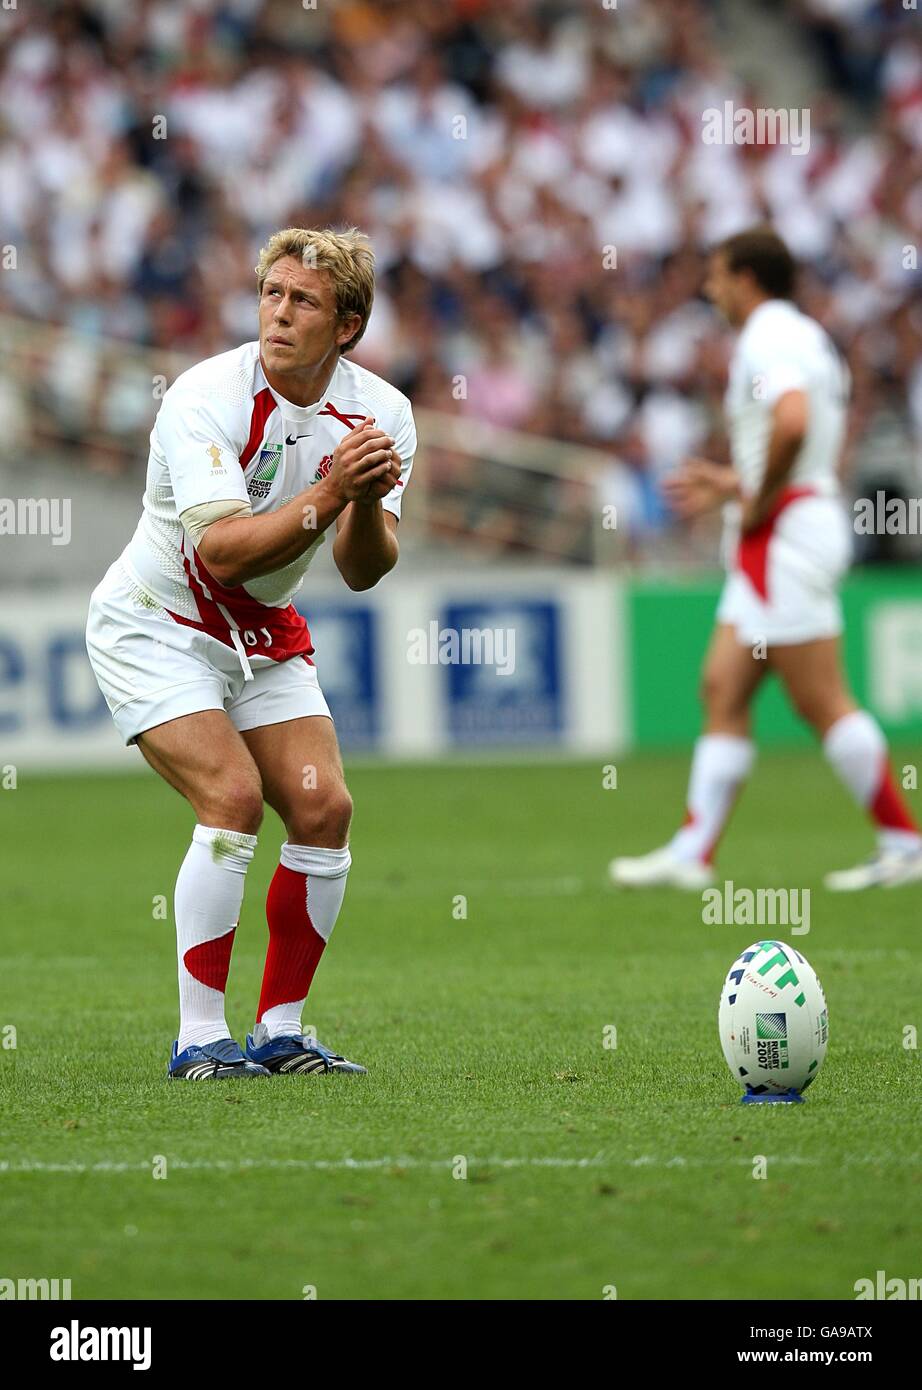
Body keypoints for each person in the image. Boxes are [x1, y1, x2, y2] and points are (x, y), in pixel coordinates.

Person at [86, 227, 416, 1077]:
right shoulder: (204, 395)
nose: (279, 312)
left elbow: (362, 570)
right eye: (272, 292)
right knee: (231, 798)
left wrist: (367, 506)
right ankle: (199, 1038)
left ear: (347, 326)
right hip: (155, 621)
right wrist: (332, 490)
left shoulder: (383, 414)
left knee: (323, 810)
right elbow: (224, 552)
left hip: (260, 632)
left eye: (303, 300)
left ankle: (282, 1029)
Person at [610, 226, 921, 892]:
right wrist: (735, 485)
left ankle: (904, 840)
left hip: (785, 534)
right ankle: (693, 850)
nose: (710, 288)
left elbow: (794, 422)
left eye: (718, 276)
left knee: (823, 700)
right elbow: (804, 440)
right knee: (723, 685)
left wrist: (757, 500)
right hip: (787, 523)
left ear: (748, 278)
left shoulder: (767, 338)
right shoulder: (806, 334)